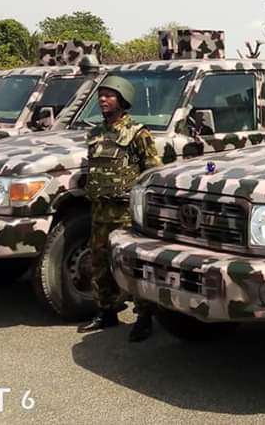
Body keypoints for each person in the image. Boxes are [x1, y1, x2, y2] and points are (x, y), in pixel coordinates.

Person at [78, 76, 162, 342]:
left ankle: (144, 317)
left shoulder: (138, 133)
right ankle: (107, 311)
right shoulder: (94, 134)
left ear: (122, 100)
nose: (103, 99)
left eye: (109, 95)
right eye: (100, 95)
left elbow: (153, 172)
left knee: (132, 266)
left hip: (126, 212)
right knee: (99, 263)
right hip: (100, 210)